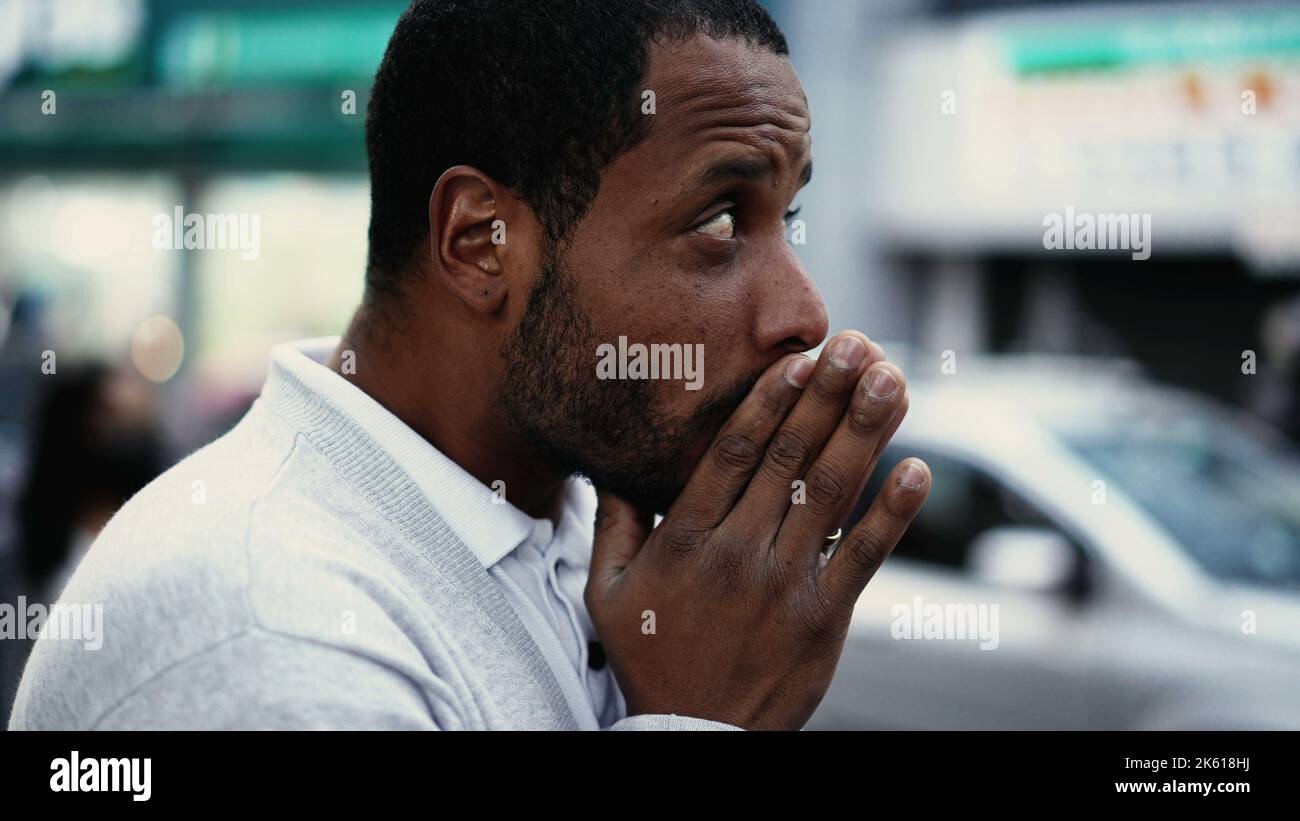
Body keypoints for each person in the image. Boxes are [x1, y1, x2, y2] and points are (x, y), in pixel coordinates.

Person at [10, 0, 929, 731]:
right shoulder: (269, 629)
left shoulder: (576, 512)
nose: (806, 313)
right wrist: (699, 717)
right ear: (480, 241)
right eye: (721, 220)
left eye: (788, 220)